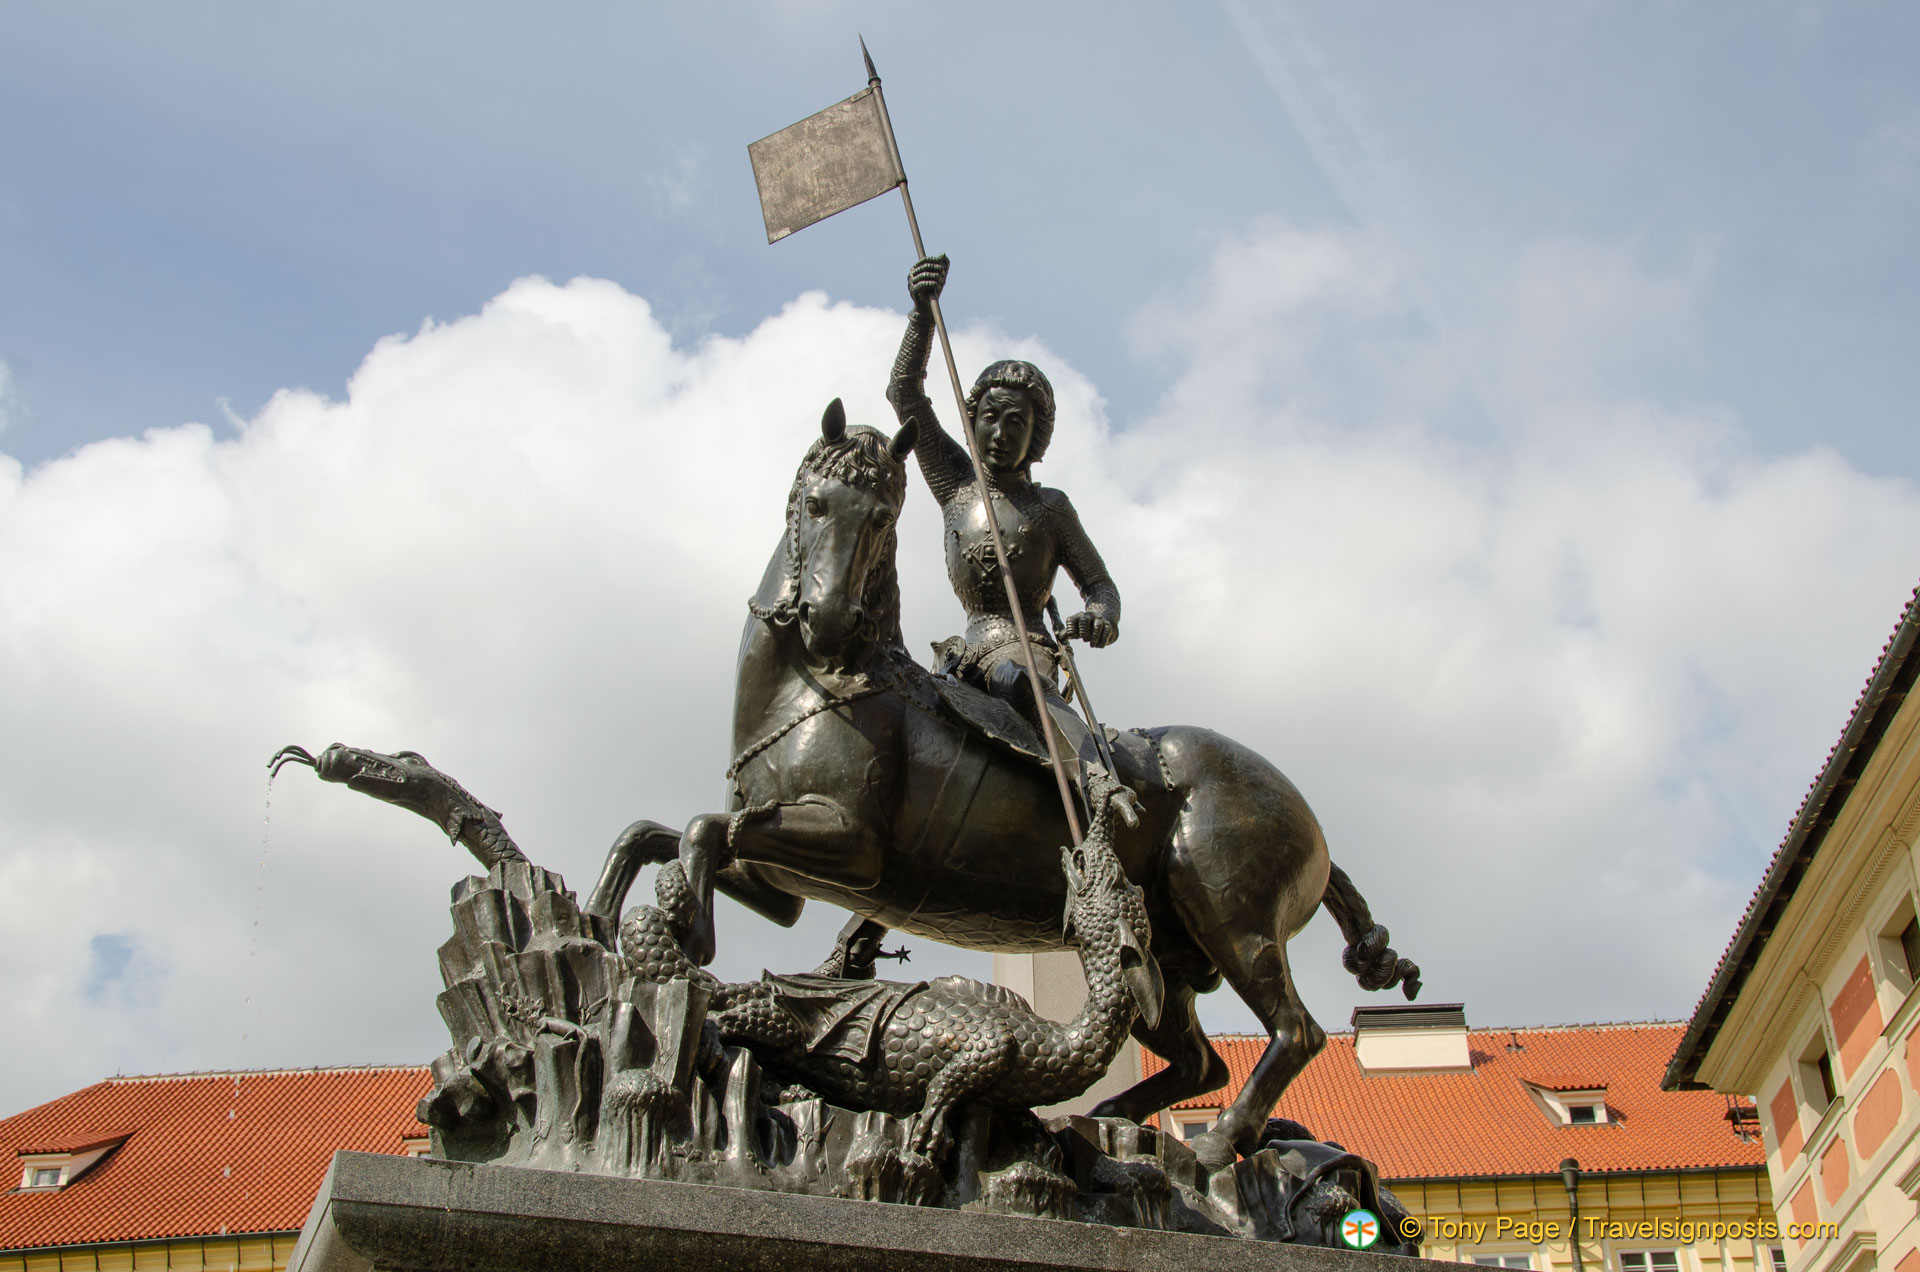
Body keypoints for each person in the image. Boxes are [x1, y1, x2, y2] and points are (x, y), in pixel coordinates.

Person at [885, 254, 1122, 795]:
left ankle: (1099, 789)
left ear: (1035, 436)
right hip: (963, 653)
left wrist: (1100, 617)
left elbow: (1100, 586)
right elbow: (905, 393)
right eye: (990, 417)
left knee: (1024, 688)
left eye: (1017, 422)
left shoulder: (1051, 508)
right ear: (973, 420)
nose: (1000, 432)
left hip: (1025, 652)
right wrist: (921, 313)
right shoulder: (954, 482)